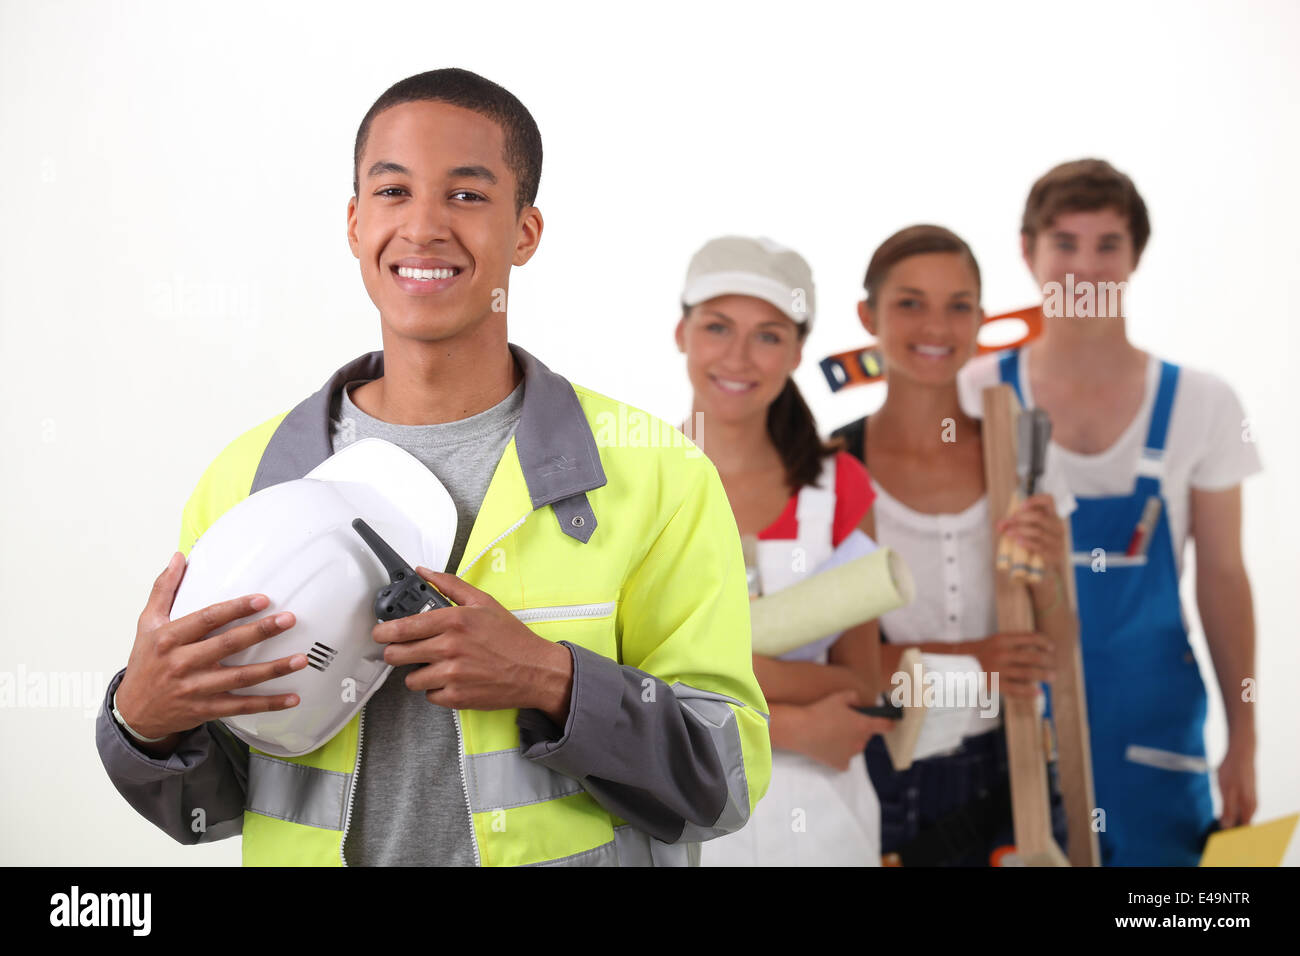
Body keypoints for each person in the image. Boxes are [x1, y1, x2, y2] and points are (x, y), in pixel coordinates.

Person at [95, 68, 772, 867]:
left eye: (466, 195)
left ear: (525, 231)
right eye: (391, 192)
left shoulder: (656, 475)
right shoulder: (249, 481)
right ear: (354, 222)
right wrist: (141, 721)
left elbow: (723, 783)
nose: (422, 227)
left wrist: (552, 681)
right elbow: (214, 805)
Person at [956, 159, 1262, 866]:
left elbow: (1222, 576)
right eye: (1064, 243)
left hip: (1152, 726)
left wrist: (1243, 739)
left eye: (1107, 245)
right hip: (1013, 724)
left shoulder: (1202, 404)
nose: (1084, 268)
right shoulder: (976, 395)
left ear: (1136, 257)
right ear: (1027, 252)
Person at [832, 224, 1074, 865]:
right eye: (909, 302)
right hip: (888, 766)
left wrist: (1047, 574)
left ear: (981, 320)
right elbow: (846, 668)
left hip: (1014, 761)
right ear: (868, 317)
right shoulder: (834, 465)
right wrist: (981, 661)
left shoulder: (1021, 451)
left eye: (958, 305)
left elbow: (1061, 646)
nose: (935, 326)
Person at [676, 236, 894, 866]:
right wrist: (793, 722)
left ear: (798, 350)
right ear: (681, 332)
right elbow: (613, 683)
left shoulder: (839, 489)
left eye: (769, 335)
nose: (739, 357)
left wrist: (700, 671)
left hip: (824, 828)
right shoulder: (634, 481)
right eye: (718, 327)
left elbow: (860, 681)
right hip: (680, 813)